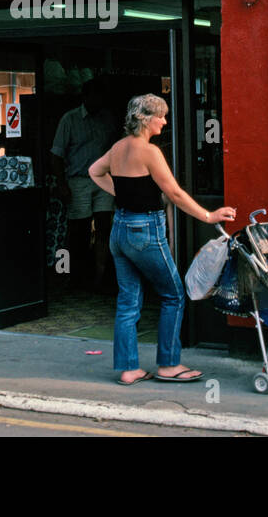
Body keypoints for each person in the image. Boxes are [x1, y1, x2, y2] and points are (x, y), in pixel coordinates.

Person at [88, 94, 236, 385]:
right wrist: (209, 216)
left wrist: (121, 193)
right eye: (161, 116)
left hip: (120, 229)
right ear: (146, 118)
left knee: (128, 300)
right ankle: (168, 365)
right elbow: (175, 194)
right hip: (145, 230)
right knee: (173, 294)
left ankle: (129, 369)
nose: (165, 121)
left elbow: (94, 171)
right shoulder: (150, 152)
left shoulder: (118, 148)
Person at [50, 79, 117, 291]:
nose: (99, 101)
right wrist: (62, 183)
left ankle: (100, 274)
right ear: (85, 97)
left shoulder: (107, 119)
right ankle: (77, 275)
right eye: (95, 97)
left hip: (104, 179)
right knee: (79, 229)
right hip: (78, 179)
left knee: (104, 225)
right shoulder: (70, 119)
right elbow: (56, 155)